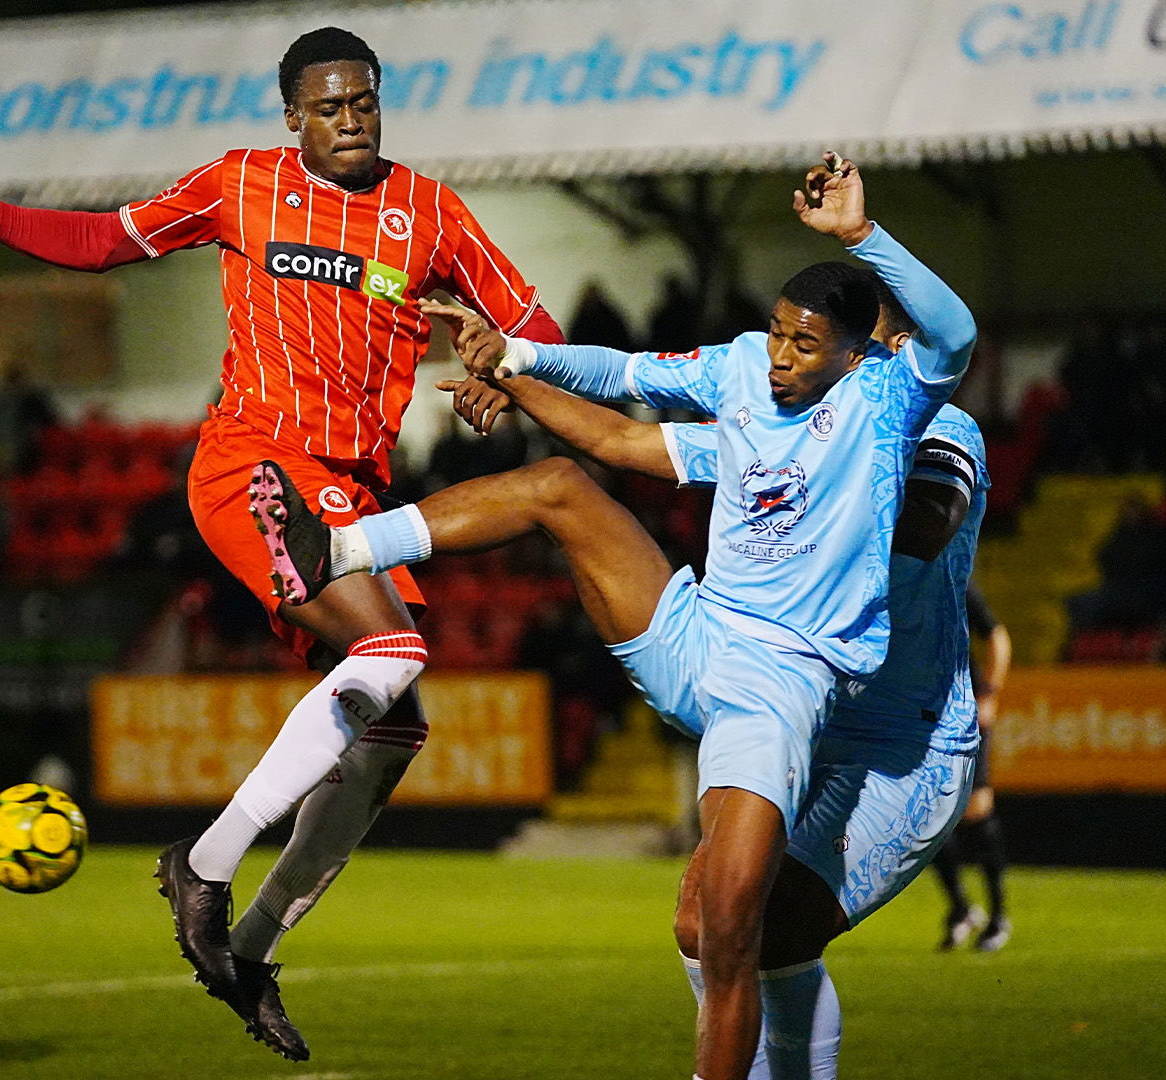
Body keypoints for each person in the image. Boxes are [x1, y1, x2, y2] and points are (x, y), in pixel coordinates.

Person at [0, 26, 564, 1060]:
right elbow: (103, 239)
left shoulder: (433, 212)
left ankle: (249, 948)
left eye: (367, 102)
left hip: (355, 493)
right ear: (292, 114)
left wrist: (501, 366)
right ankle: (205, 864)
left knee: (394, 734)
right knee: (393, 654)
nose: (353, 120)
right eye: (331, 106)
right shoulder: (238, 185)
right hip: (255, 463)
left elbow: (541, 332)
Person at [252, 155, 974, 1078]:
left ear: (863, 350)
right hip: (699, 635)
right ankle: (340, 547)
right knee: (559, 487)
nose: (782, 355)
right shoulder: (747, 379)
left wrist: (858, 238)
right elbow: (623, 396)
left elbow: (951, 355)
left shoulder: (895, 407)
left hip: (787, 690)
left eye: (804, 344)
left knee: (723, 929)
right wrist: (510, 358)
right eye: (778, 335)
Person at [931, 583, 1013, 953]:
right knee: (926, 816)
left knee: (976, 809)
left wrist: (990, 693)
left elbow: (996, 635)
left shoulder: (953, 579)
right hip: (924, 708)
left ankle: (998, 915)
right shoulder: (893, 582)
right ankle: (961, 908)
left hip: (965, 706)